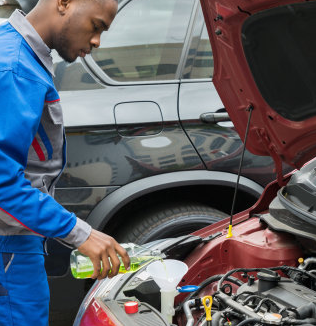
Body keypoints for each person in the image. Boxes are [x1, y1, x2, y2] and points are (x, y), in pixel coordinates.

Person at [0, 0, 130, 325]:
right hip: (9, 245)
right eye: (97, 26)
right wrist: (80, 233)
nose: (98, 41)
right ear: (64, 3)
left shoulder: (18, 51)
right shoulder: (16, 68)